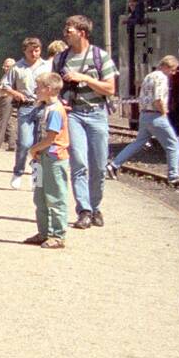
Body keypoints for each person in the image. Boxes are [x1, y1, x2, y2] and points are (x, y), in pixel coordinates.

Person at [55, 14, 118, 229]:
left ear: (82, 32)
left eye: (69, 29)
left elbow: (110, 89)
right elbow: (54, 87)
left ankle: (95, 206)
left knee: (99, 166)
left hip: (97, 114)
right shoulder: (60, 59)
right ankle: (84, 210)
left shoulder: (101, 57)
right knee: (79, 162)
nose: (65, 32)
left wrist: (85, 79)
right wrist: (59, 101)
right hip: (74, 114)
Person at [107, 55, 179, 183]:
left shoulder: (149, 76)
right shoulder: (162, 78)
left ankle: (113, 165)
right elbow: (158, 99)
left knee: (138, 143)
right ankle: (173, 175)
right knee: (173, 144)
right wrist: (164, 112)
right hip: (156, 115)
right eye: (172, 70)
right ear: (166, 67)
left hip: (144, 115)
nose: (174, 73)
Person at [26, 72, 72, 249]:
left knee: (55, 196)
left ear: (49, 89)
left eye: (38, 87)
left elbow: (51, 138)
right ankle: (44, 232)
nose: (36, 90)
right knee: (40, 196)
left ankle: (58, 235)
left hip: (53, 157)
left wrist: (34, 149)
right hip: (41, 157)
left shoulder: (55, 111)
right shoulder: (45, 108)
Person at [2, 38, 49, 189]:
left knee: (40, 144)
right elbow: (4, 85)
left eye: (37, 51)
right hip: (26, 107)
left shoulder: (47, 66)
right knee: (25, 142)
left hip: (43, 107)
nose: (34, 54)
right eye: (31, 51)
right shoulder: (17, 67)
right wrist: (15, 93)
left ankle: (37, 178)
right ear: (24, 51)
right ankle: (18, 172)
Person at [0, 58, 17, 150]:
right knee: (7, 122)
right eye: (4, 66)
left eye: (8, 66)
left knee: (2, 121)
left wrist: (1, 89)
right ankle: (12, 145)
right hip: (3, 98)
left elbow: (9, 89)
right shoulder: (5, 76)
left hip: (8, 99)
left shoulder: (13, 77)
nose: (5, 68)